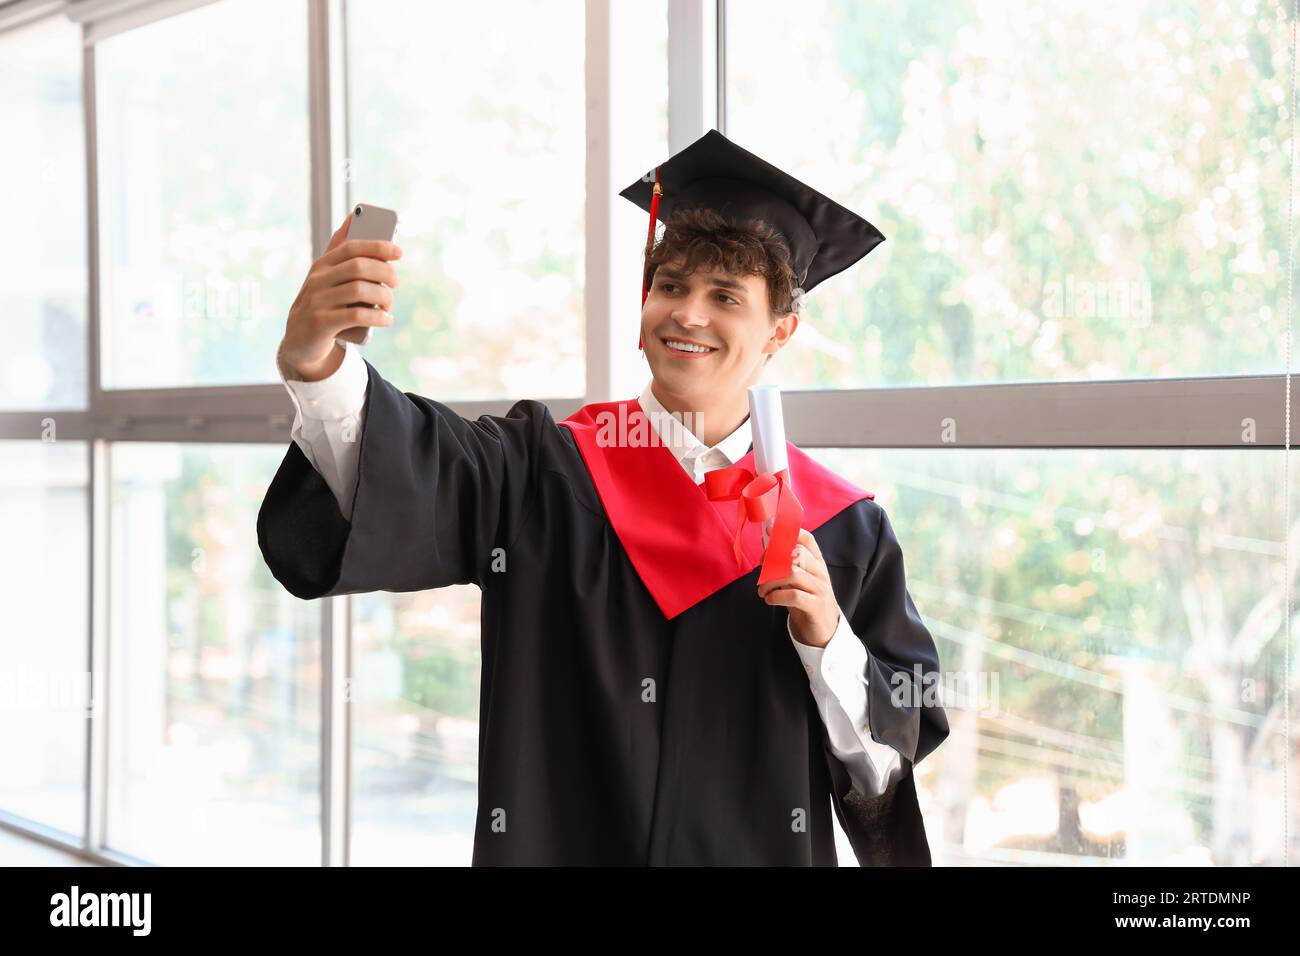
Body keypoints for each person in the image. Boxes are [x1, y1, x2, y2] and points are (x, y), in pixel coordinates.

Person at [258, 128, 949, 865]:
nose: (687, 314)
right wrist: (316, 359)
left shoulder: (844, 532)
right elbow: (415, 458)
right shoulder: (545, 473)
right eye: (672, 285)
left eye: (725, 296)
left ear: (781, 329)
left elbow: (881, 771)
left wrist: (825, 636)